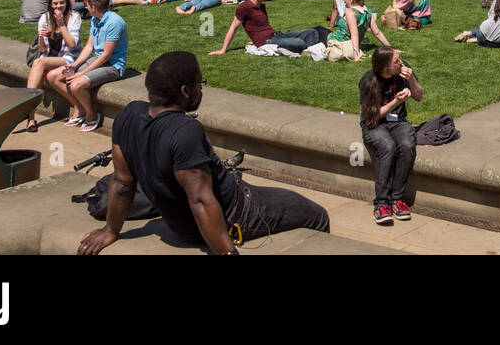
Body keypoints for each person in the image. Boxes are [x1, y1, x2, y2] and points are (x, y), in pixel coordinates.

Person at [77, 51, 329, 254]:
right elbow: (200, 200)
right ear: (185, 91)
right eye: (199, 84)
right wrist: (226, 252)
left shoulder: (128, 115)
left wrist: (111, 229)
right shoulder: (186, 130)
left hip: (180, 223)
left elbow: (122, 182)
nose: (201, 90)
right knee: (317, 215)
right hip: (239, 212)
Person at [46, 0, 126, 133]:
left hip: (113, 66)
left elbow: (106, 56)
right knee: (53, 76)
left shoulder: (115, 22)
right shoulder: (95, 19)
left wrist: (81, 73)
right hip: (98, 60)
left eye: (87, 5)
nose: (86, 8)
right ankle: (80, 108)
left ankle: (91, 114)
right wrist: (74, 65)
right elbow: (90, 46)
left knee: (76, 84)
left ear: (94, 7)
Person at [359, 47, 422, 225]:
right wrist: (397, 101)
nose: (401, 63)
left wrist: (411, 80)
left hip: (398, 123)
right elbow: (372, 117)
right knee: (387, 146)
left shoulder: (404, 71)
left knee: (407, 145)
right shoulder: (368, 81)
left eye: (400, 59)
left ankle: (397, 200)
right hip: (374, 124)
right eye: (396, 61)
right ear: (385, 67)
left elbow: (419, 96)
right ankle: (381, 203)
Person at [210, 0, 323, 55]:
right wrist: (223, 49)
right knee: (298, 42)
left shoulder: (261, 4)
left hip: (276, 35)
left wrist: (254, 40)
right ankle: (303, 48)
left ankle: (302, 48)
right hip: (267, 41)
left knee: (312, 32)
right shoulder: (244, 7)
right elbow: (233, 28)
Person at [25, 0, 82, 131]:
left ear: (66, 3)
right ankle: (31, 118)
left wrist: (62, 24)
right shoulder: (45, 18)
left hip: (68, 58)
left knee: (39, 63)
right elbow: (43, 50)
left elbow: (72, 45)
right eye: (55, 3)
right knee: (40, 63)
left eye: (62, 3)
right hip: (49, 58)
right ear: (51, 5)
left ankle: (27, 111)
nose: (59, 6)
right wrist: (41, 37)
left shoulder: (74, 17)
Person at [326, 0, 390, 62]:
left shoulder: (350, 12)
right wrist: (390, 48)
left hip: (338, 41)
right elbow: (377, 33)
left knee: (317, 31)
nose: (343, 0)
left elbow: (354, 34)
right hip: (347, 42)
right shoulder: (368, 12)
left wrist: (356, 55)